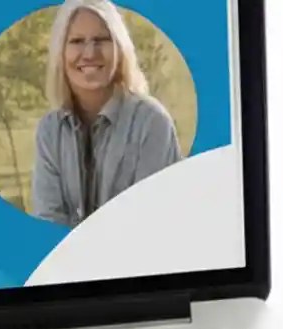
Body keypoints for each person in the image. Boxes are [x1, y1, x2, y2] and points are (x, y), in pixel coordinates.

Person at [31, 0, 183, 227]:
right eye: (77, 41)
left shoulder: (152, 123)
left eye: (101, 40)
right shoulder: (50, 130)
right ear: (60, 53)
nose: (89, 53)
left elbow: (154, 222)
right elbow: (48, 221)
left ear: (120, 49)